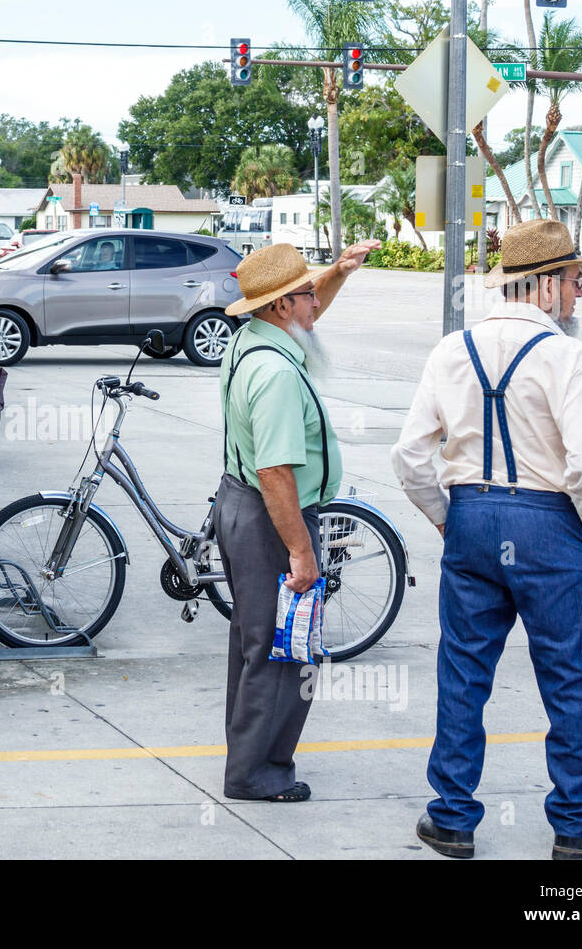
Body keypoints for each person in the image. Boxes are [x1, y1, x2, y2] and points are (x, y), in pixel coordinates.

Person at [390, 218, 582, 860]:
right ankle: (573, 826)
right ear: (542, 285)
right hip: (549, 523)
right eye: (573, 281)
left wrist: (444, 515)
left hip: (471, 518)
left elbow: (409, 455)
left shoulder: (449, 350)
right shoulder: (569, 357)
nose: (578, 295)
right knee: (575, 676)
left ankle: (452, 817)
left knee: (463, 670)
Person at [216, 239, 379, 802]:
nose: (316, 305)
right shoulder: (278, 375)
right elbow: (277, 472)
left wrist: (336, 273)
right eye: (307, 295)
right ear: (282, 306)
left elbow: (309, 314)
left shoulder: (254, 340)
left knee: (256, 641)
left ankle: (249, 757)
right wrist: (302, 552)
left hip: (242, 509)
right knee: (282, 651)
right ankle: (256, 773)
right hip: (272, 519)